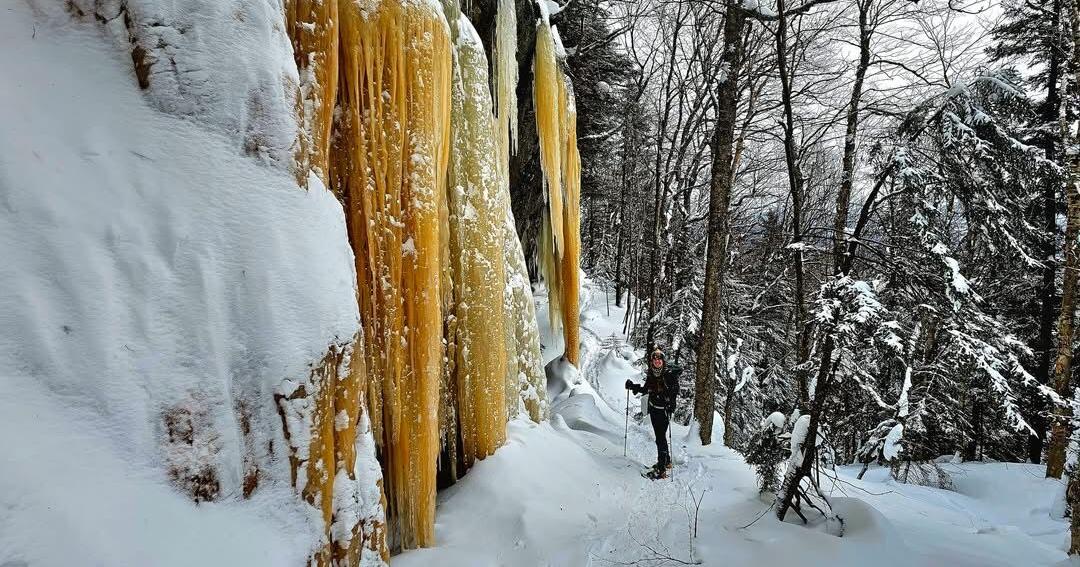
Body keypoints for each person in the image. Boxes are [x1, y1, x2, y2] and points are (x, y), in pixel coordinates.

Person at [625, 348, 680, 479]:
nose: (657, 361)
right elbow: (646, 389)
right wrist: (633, 386)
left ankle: (661, 470)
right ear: (652, 361)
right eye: (655, 359)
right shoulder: (652, 374)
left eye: (659, 359)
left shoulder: (669, 375)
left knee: (660, 438)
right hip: (654, 410)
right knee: (661, 437)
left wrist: (670, 404)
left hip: (663, 412)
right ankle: (666, 462)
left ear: (663, 360)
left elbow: (675, 392)